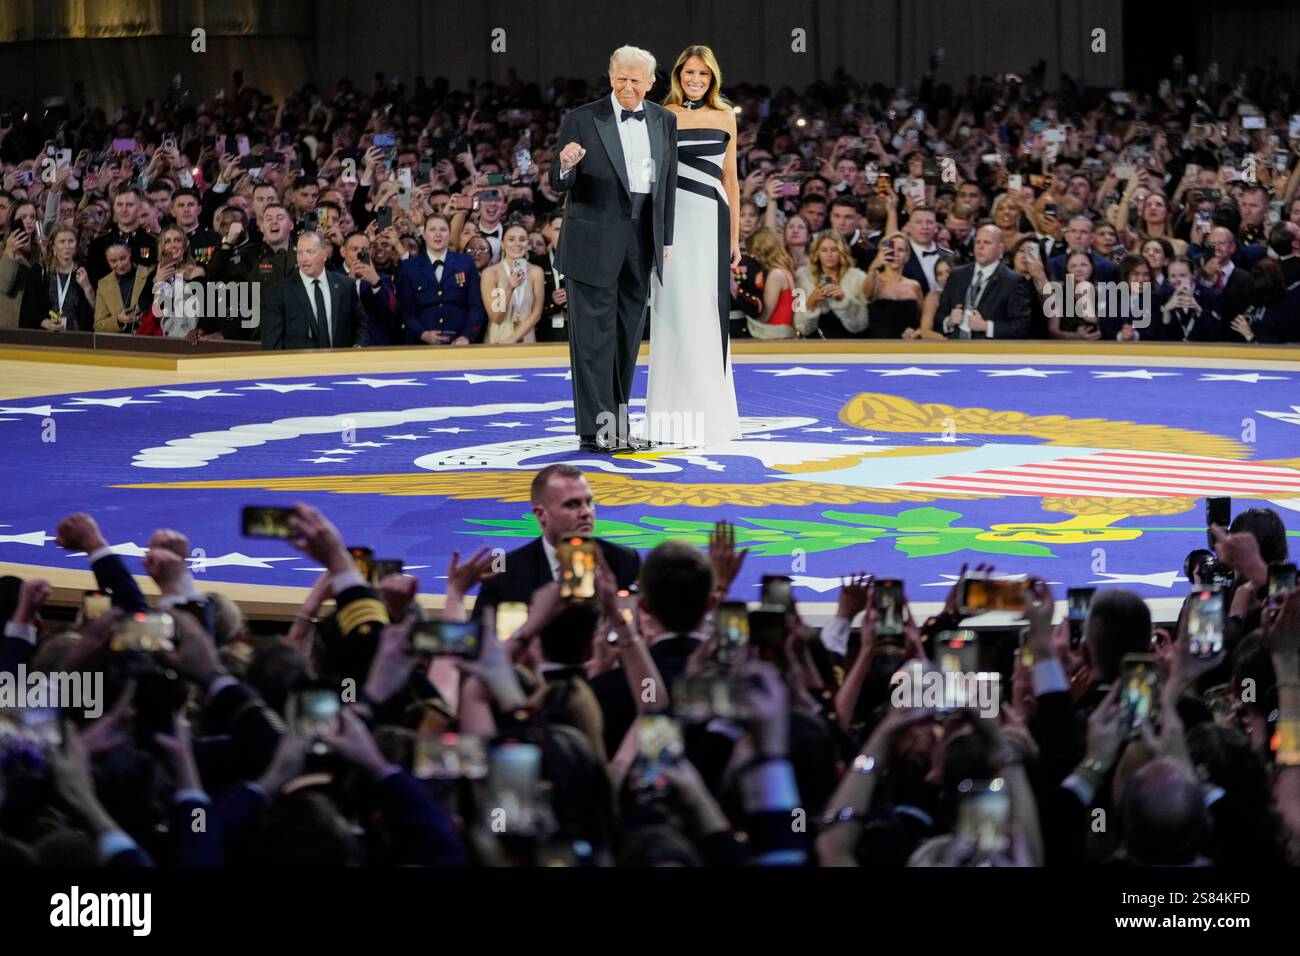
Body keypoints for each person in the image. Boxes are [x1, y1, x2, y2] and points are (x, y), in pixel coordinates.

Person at [549, 45, 678, 454]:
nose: (627, 86)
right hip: (592, 244)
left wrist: (666, 240)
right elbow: (559, 179)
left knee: (625, 340)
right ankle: (598, 431)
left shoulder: (663, 120)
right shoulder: (582, 119)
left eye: (635, 80)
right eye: (621, 78)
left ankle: (616, 426)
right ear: (609, 77)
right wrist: (566, 164)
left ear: (650, 83)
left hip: (641, 244)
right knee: (593, 341)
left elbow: (667, 187)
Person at [637, 45, 741, 448]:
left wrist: (734, 238)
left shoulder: (726, 116)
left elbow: (731, 180)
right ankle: (668, 421)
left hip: (712, 221)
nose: (695, 80)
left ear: (713, 78)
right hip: (673, 224)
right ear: (678, 75)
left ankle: (713, 419)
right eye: (688, 73)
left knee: (707, 315)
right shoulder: (663, 115)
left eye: (703, 74)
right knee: (672, 313)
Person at [472, 465, 640, 617]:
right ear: (541, 514)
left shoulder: (624, 561)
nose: (585, 512)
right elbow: (482, 644)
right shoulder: (505, 574)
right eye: (572, 504)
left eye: (589, 502)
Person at [260, 231, 369, 349]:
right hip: (299, 366)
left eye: (310, 252)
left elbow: (361, 324)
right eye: (300, 253)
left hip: (339, 364)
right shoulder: (278, 293)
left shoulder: (346, 285)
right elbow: (272, 344)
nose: (304, 258)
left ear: (324, 254)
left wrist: (359, 346)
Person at [397, 214, 485, 345]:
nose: (438, 234)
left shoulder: (466, 263)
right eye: (432, 230)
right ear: (424, 235)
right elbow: (406, 311)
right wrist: (423, 334)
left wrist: (466, 336)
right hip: (421, 344)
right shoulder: (409, 267)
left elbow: (476, 307)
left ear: (450, 235)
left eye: (443, 230)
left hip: (459, 344)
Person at [936, 224, 1033, 339]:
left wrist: (987, 326)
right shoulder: (956, 275)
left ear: (1000, 248)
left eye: (987, 243)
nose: (980, 247)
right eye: (978, 242)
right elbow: (938, 318)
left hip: (989, 353)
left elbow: (1023, 327)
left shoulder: (1013, 281)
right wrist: (948, 322)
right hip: (956, 352)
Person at [795, 231, 869, 338]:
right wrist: (811, 302)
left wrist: (843, 300)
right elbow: (799, 326)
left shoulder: (857, 278)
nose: (829, 255)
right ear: (817, 253)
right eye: (824, 250)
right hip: (815, 344)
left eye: (834, 250)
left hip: (849, 343)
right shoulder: (802, 278)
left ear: (841, 252)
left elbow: (861, 325)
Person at [480, 221, 544, 344]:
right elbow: (496, 317)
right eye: (511, 239)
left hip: (527, 341)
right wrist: (509, 288)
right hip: (499, 341)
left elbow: (537, 313)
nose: (517, 244)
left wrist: (514, 338)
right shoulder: (491, 273)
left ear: (527, 244)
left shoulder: (536, 272)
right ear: (503, 244)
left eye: (522, 239)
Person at [862, 232, 924, 339]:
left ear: (907, 255)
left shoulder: (914, 286)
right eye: (891, 249)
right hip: (878, 347)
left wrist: (916, 332)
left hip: (907, 347)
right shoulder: (874, 280)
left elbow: (923, 322)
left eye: (900, 250)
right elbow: (867, 295)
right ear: (882, 253)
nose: (895, 253)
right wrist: (873, 268)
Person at [0, 200, 46, 330]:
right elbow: (4, 286)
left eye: (32, 216)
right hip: (11, 322)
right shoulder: (2, 250)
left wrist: (47, 256)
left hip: (37, 321)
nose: (29, 221)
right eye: (23, 217)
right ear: (13, 221)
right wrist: (9, 253)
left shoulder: (40, 251)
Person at [40, 224, 95, 331]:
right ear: (53, 246)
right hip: (47, 335)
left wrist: (87, 288)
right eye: (62, 241)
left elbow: (97, 312)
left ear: (76, 245)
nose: (67, 246)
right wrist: (44, 322)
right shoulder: (42, 272)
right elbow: (32, 308)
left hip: (79, 338)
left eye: (71, 241)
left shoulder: (86, 271)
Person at [745, 228, 796, 339]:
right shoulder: (785, 271)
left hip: (774, 333)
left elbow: (767, 313)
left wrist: (748, 328)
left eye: (751, 252)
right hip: (783, 332)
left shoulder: (775, 275)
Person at [92, 241, 152, 333]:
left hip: (147, 337)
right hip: (117, 343)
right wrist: (118, 320)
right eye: (113, 261)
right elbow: (98, 325)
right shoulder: (103, 284)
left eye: (123, 258)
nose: (120, 265)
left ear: (129, 253)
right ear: (107, 260)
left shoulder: (148, 274)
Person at [912, 256, 952, 340]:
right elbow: (924, 331)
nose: (944, 277)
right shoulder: (933, 297)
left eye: (948, 271)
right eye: (939, 274)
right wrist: (950, 343)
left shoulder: (969, 295)